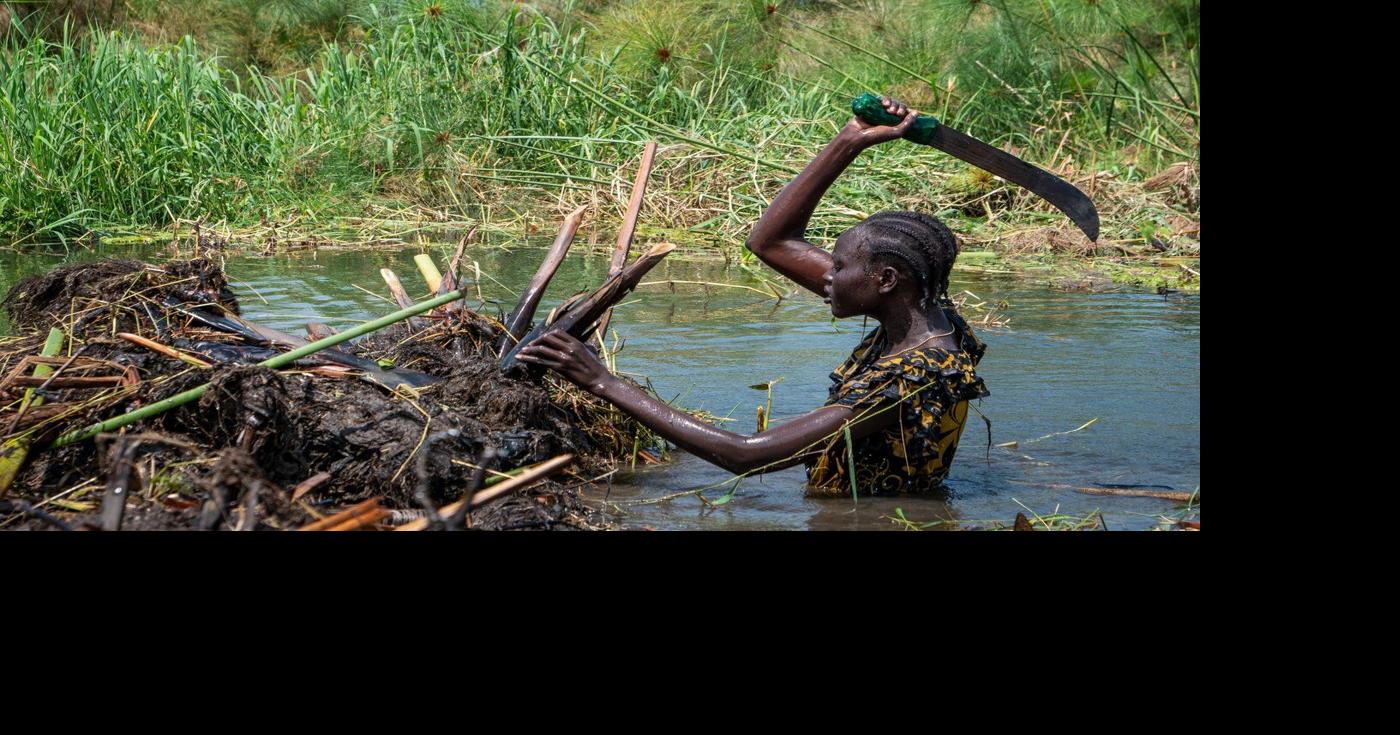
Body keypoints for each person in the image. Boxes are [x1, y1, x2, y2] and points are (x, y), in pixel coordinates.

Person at [517, 97, 989, 496]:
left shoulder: (914, 377)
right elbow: (772, 243)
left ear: (885, 280)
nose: (826, 276)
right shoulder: (927, 318)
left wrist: (603, 381)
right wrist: (850, 139)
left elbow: (746, 457)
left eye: (839, 266)